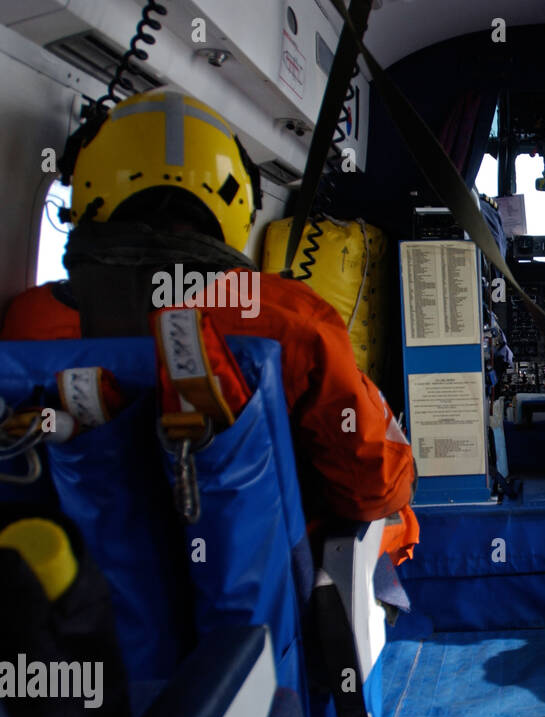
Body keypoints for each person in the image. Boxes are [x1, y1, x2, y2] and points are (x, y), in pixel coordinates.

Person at [0, 89, 418, 564]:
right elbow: (374, 487)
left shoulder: (28, 318)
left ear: (90, 191)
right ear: (237, 202)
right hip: (252, 592)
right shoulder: (289, 319)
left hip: (67, 589)